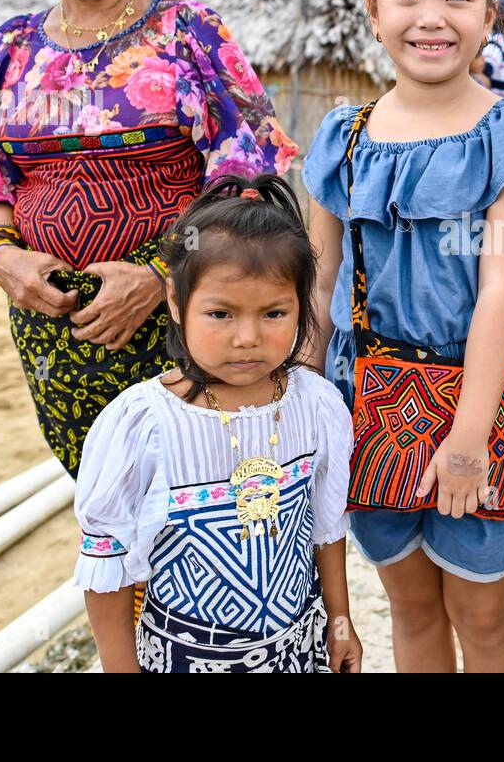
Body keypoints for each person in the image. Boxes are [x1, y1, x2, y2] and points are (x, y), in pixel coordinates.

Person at [0, 0, 296, 481]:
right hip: (53, 336)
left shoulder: (189, 31)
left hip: (183, 318)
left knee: (199, 496)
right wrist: (4, 261)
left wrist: (155, 275)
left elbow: (248, 177)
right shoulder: (9, 46)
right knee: (105, 500)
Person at [303, 0, 504, 672]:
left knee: (481, 613)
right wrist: (301, 407)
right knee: (411, 606)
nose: (431, 17)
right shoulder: (341, 138)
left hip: (483, 404)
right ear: (373, 11)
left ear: (488, 15)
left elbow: (502, 291)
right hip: (367, 401)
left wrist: (468, 438)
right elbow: (320, 282)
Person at [73, 174, 360, 673]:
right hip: (184, 658)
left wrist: (340, 622)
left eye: (274, 313)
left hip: (296, 653)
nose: (247, 337)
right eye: (221, 314)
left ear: (301, 303)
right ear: (175, 301)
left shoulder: (315, 403)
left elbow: (326, 524)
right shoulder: (145, 423)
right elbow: (107, 558)